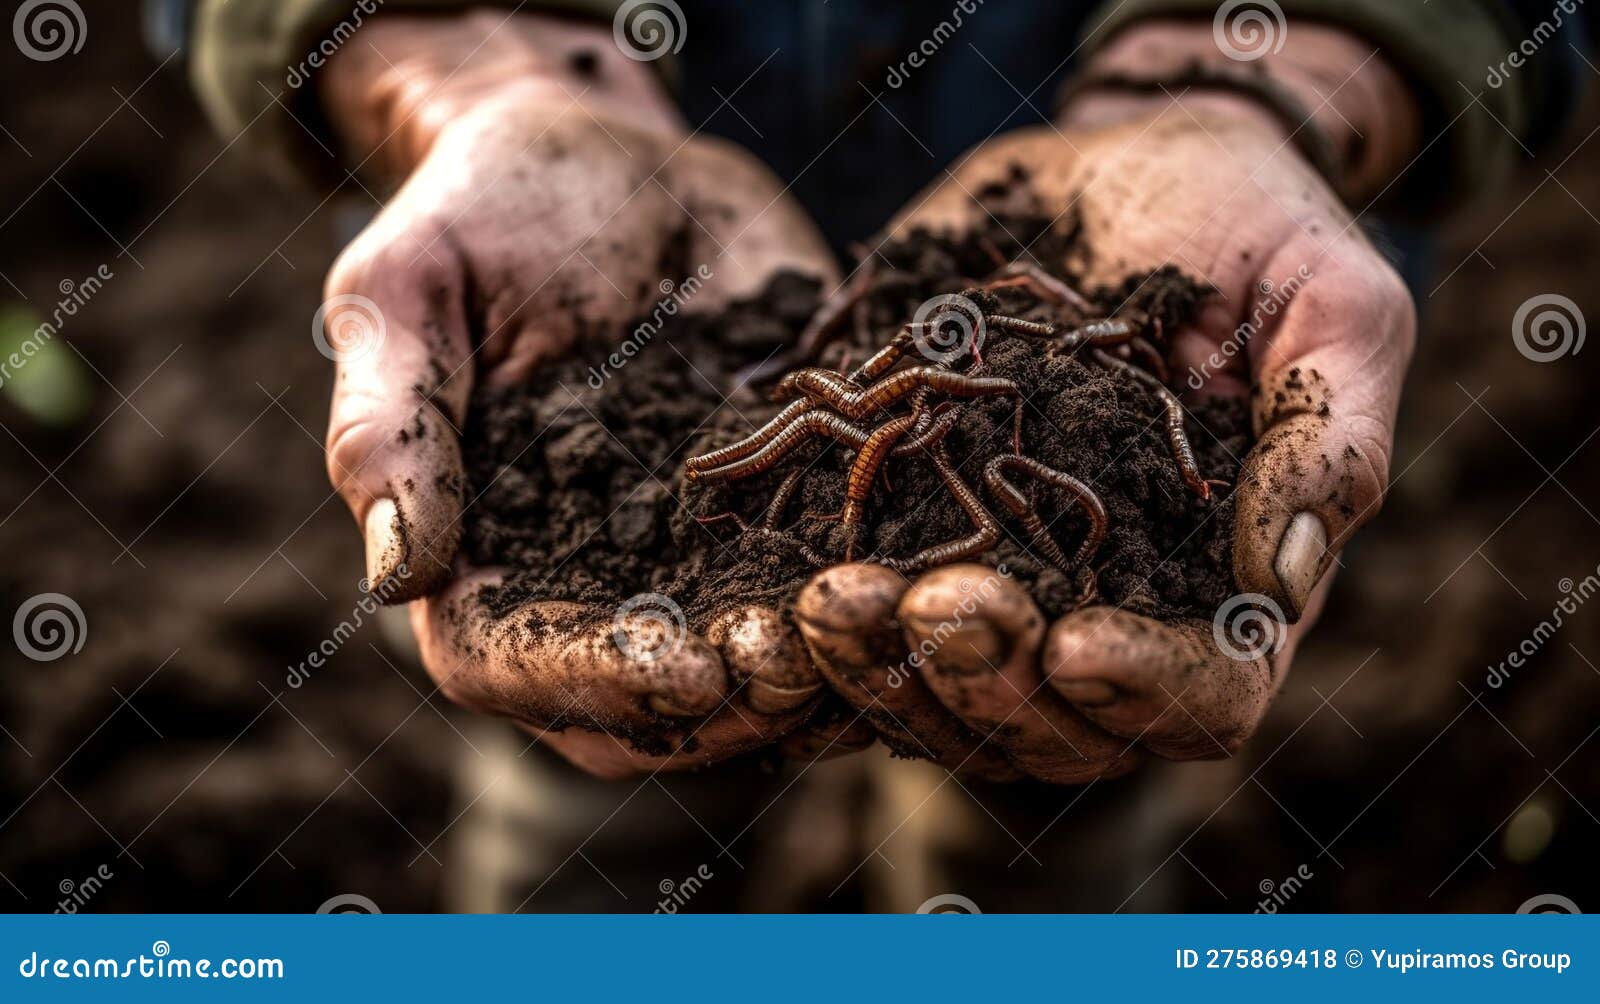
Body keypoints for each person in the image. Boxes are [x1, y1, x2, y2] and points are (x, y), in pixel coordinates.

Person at [169, 0, 1585, 908]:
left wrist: (1253, 80)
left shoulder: (1079, 396)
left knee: (1056, 763)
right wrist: (475, 70)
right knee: (601, 760)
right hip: (636, 260)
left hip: (1141, 265)